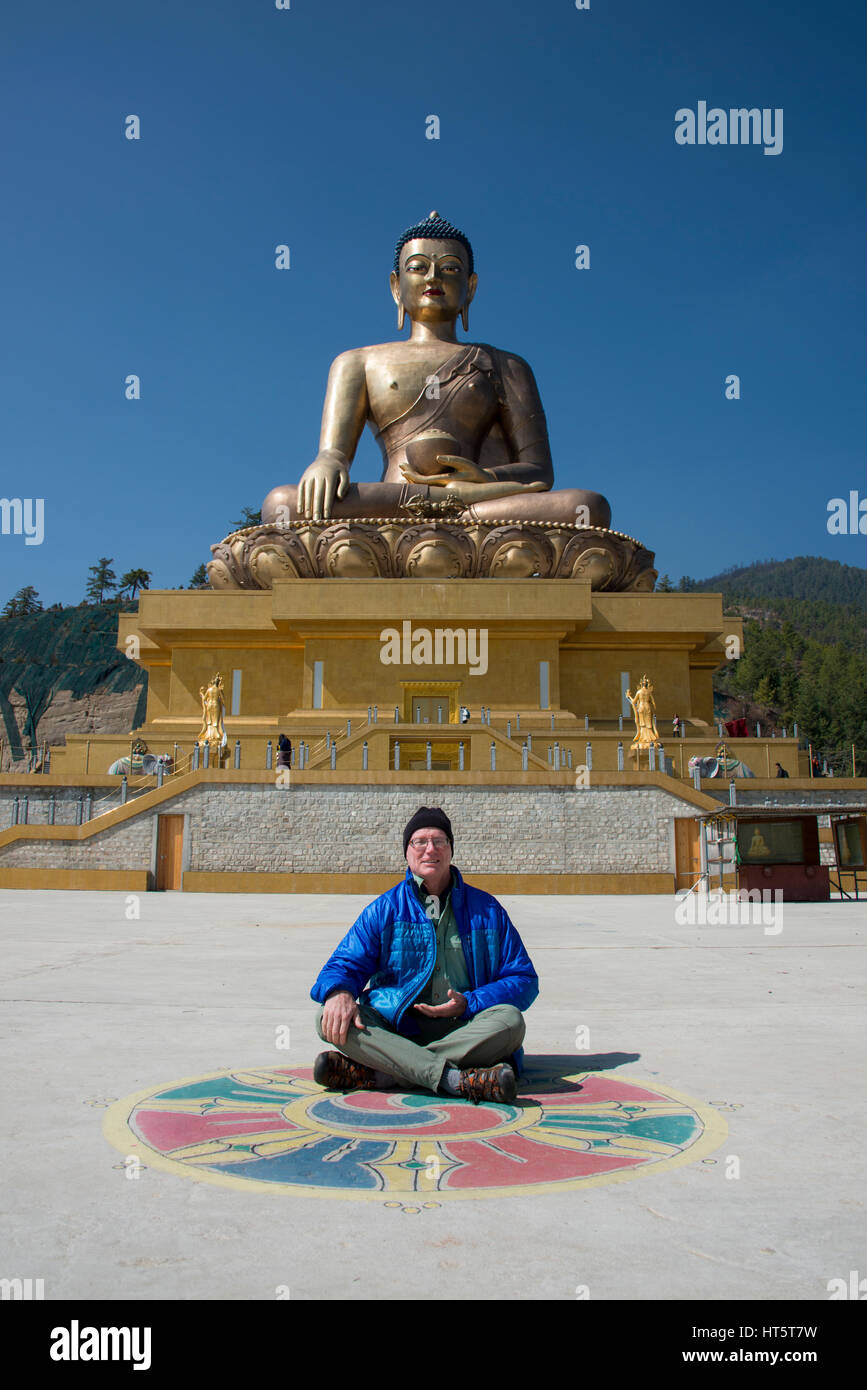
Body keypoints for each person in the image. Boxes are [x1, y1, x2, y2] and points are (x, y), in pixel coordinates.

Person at [262, 212, 610, 528]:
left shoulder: (506, 365)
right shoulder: (356, 362)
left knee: (585, 507)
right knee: (283, 504)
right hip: (394, 502)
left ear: (470, 288)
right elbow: (333, 453)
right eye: (418, 267)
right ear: (396, 287)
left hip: (479, 504)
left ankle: (450, 518)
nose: (434, 276)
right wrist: (327, 462)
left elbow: (539, 471)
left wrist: (481, 478)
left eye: (450, 268)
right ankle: (452, 521)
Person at [311, 807, 538, 1104]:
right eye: (419, 841)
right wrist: (339, 992)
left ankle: (386, 1073)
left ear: (451, 850)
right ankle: (454, 1079)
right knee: (325, 1017)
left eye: (439, 841)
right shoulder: (386, 909)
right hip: (396, 1025)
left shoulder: (487, 910)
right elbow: (344, 963)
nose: (430, 849)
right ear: (407, 852)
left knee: (510, 1021)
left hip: (464, 1028)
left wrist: (470, 1003)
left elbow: (523, 979)